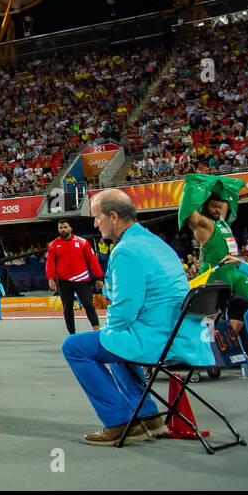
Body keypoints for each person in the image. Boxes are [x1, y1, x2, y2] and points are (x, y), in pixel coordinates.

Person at [61, 190, 213, 446]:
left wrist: (110, 330)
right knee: (117, 342)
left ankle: (119, 422)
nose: (95, 224)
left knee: (75, 346)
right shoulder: (155, 242)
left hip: (158, 339)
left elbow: (125, 310)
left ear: (114, 216)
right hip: (180, 334)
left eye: (97, 217)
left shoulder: (126, 251)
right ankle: (147, 417)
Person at [179, 173, 248, 345]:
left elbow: (227, 200)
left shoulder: (223, 221)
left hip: (236, 271)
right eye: (213, 207)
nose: (217, 210)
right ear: (205, 207)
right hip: (216, 272)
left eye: (219, 207)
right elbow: (191, 217)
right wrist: (191, 187)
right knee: (211, 314)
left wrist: (229, 185)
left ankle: (245, 350)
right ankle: (212, 348)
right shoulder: (205, 224)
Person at [46, 220, 103, 334]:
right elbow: (50, 263)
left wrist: (98, 278)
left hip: (82, 279)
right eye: (61, 228)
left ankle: (97, 330)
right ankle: (72, 334)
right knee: (67, 308)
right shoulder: (53, 245)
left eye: (65, 227)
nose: (63, 230)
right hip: (63, 281)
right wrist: (50, 279)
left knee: (88, 305)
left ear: (70, 228)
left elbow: (92, 261)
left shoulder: (82, 242)